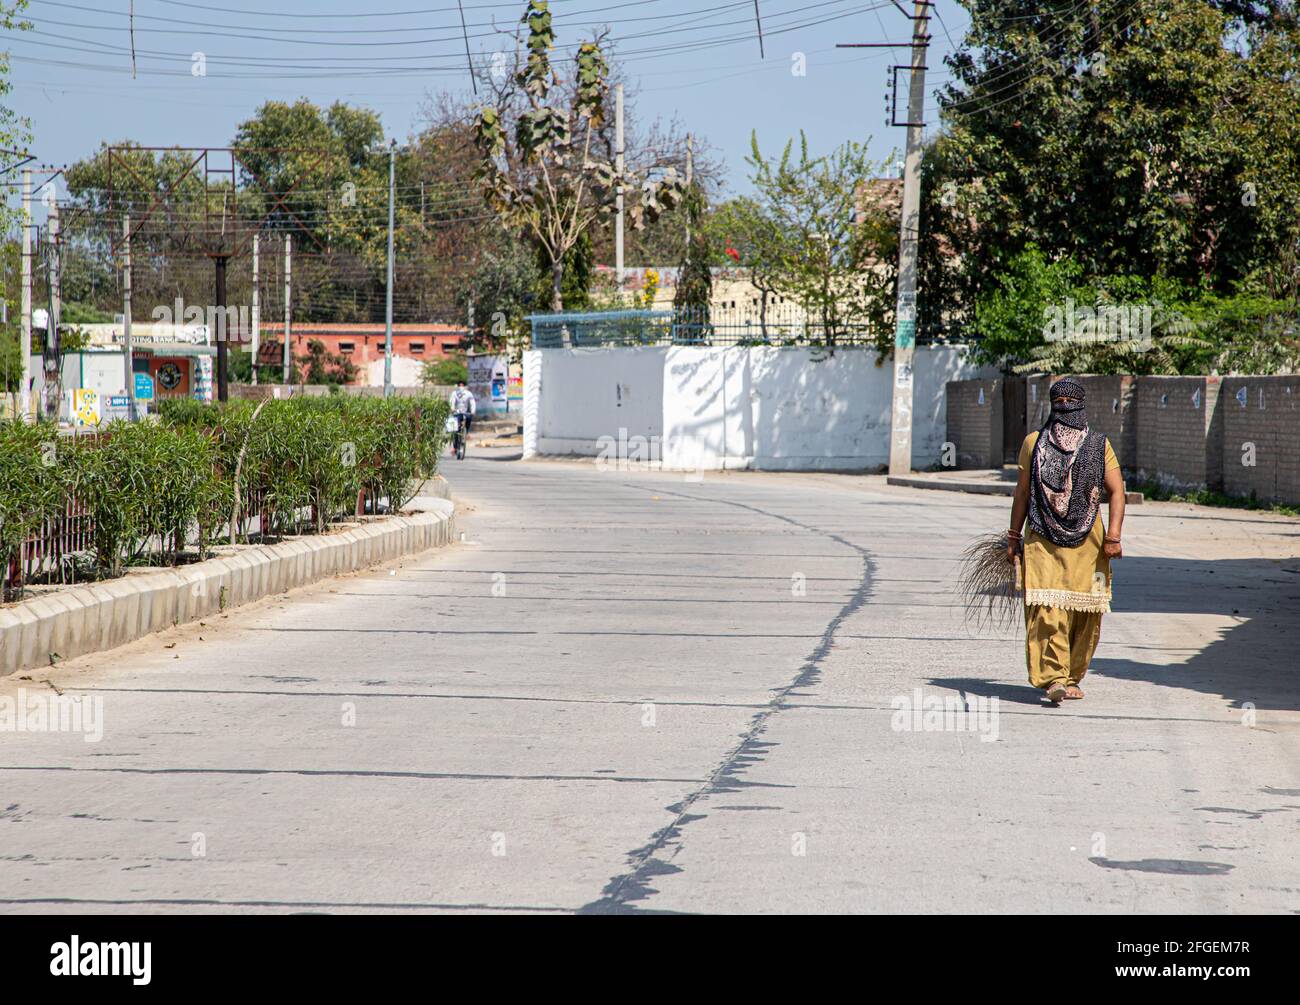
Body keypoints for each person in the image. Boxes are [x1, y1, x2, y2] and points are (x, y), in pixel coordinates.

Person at [1007, 378, 1126, 704]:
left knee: (1085, 612)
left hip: (1089, 544)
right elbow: (1022, 493)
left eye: (1067, 402)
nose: (1064, 409)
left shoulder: (1098, 445)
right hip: (1042, 540)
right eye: (1061, 402)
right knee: (1048, 607)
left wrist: (1113, 537)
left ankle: (1073, 676)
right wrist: (1014, 537)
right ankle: (1055, 678)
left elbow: (1117, 491)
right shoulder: (1034, 443)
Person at [449, 380, 476, 447]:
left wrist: (473, 411)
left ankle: (466, 432)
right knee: (456, 428)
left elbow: (472, 402)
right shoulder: (454, 393)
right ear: (457, 386)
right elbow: (452, 401)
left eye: (462, 385)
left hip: (465, 412)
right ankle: (455, 445)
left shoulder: (468, 393)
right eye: (459, 385)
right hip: (457, 412)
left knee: (469, 418)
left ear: (464, 386)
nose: (461, 387)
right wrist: (452, 408)